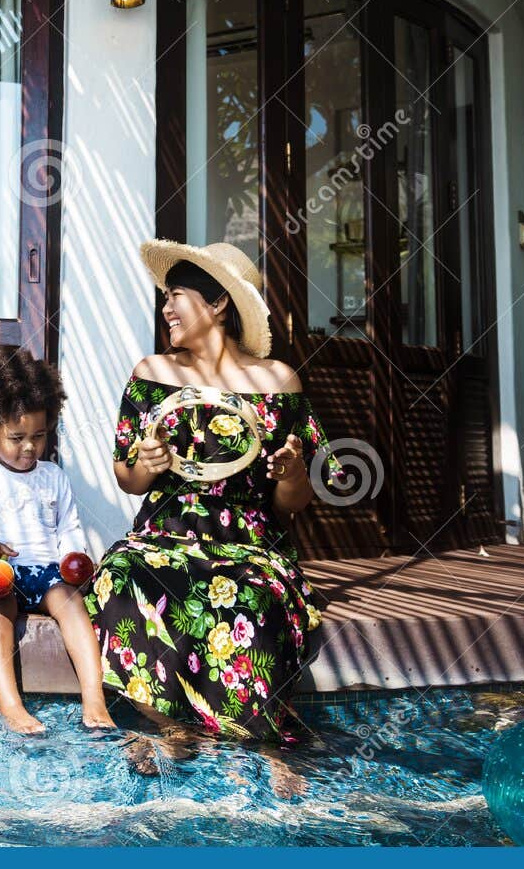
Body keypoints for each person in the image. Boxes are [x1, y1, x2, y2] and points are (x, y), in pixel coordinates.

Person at [92, 239, 340, 796]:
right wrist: (147, 464)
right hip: (165, 530)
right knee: (126, 573)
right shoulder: (152, 373)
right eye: (166, 297)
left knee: (247, 594)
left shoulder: (279, 383)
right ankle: (169, 726)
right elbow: (126, 476)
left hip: (250, 538)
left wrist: (292, 472)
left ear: (219, 304)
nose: (166, 309)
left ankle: (255, 740)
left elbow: (293, 504)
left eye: (176, 295)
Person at [0, 347, 116, 735]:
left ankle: (93, 697)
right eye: (17, 437)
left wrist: (71, 556)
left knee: (72, 603)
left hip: (45, 570)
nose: (29, 447)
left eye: (39, 436)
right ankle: (11, 705)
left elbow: (68, 528)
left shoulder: (53, 476)